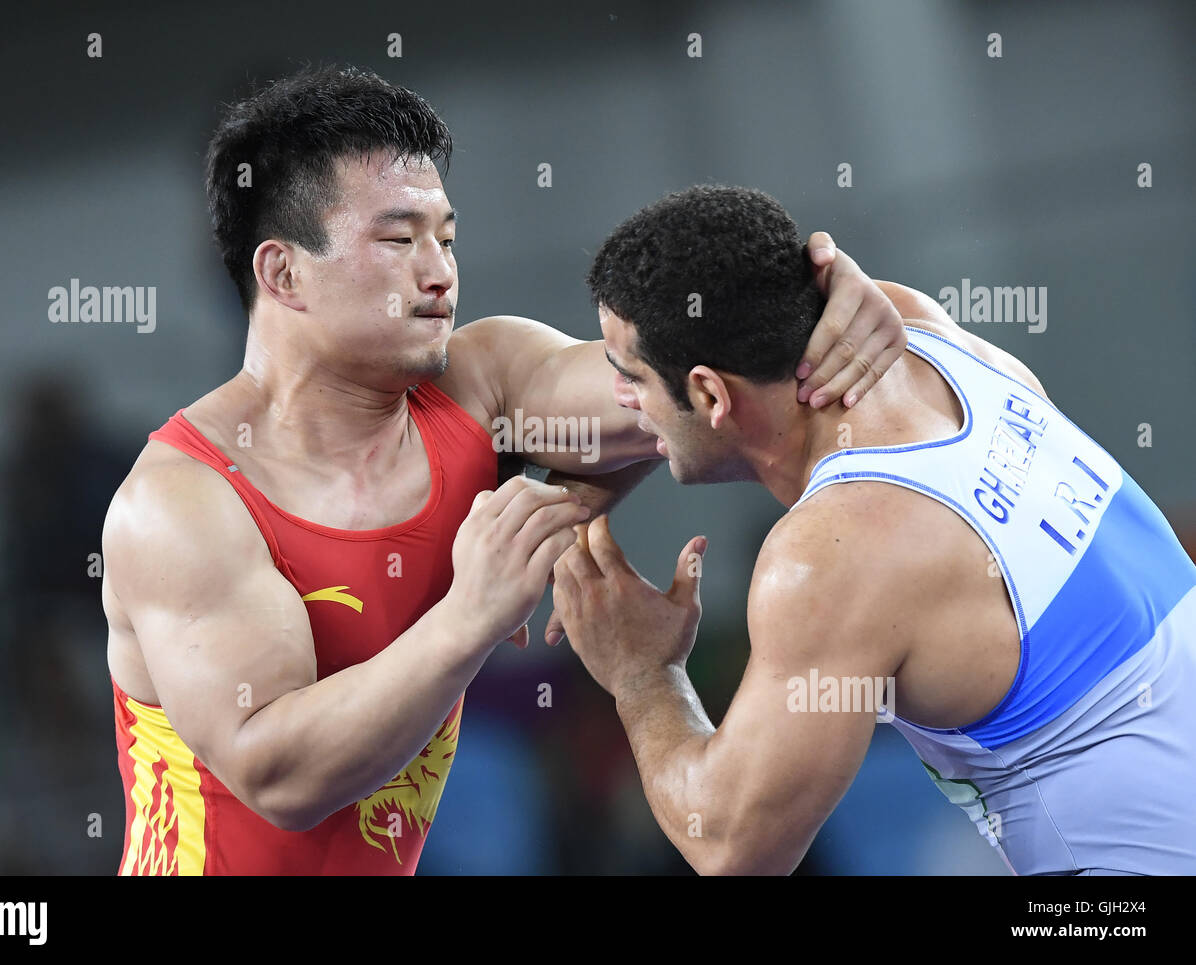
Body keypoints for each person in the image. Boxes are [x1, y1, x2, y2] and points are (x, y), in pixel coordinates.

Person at [101, 68, 905, 874]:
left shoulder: (484, 383)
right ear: (282, 273)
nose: (439, 272)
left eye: (446, 238)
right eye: (397, 239)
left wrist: (838, 301)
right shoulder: (180, 502)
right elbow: (279, 773)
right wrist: (473, 611)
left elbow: (689, 378)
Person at [552, 184, 1196, 876]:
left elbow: (731, 845)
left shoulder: (831, 555)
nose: (618, 400)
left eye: (630, 377)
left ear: (709, 393)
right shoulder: (919, 327)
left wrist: (642, 674)